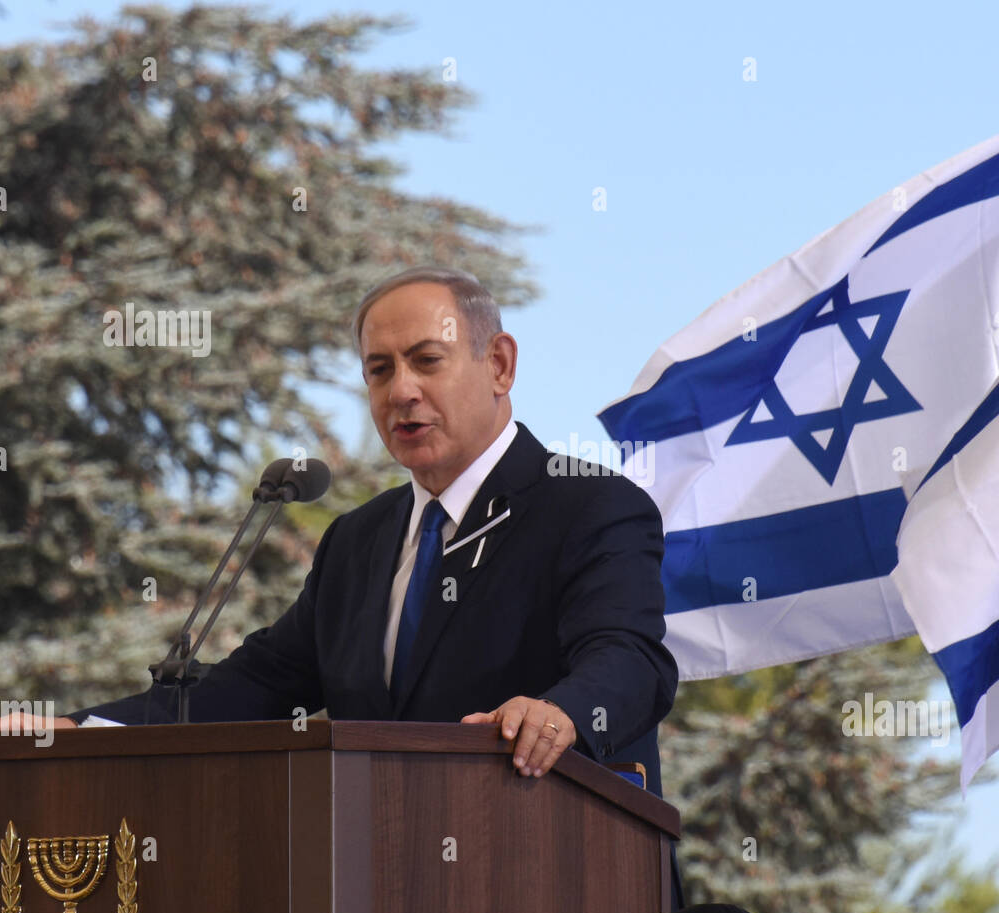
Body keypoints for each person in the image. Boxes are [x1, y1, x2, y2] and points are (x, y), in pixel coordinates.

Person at [45, 267, 679, 798]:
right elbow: (252, 687)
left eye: (427, 361)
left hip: (550, 871)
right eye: (379, 370)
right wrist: (81, 730)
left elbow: (628, 658)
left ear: (500, 364)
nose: (401, 390)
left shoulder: (591, 505)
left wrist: (560, 712)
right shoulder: (357, 540)